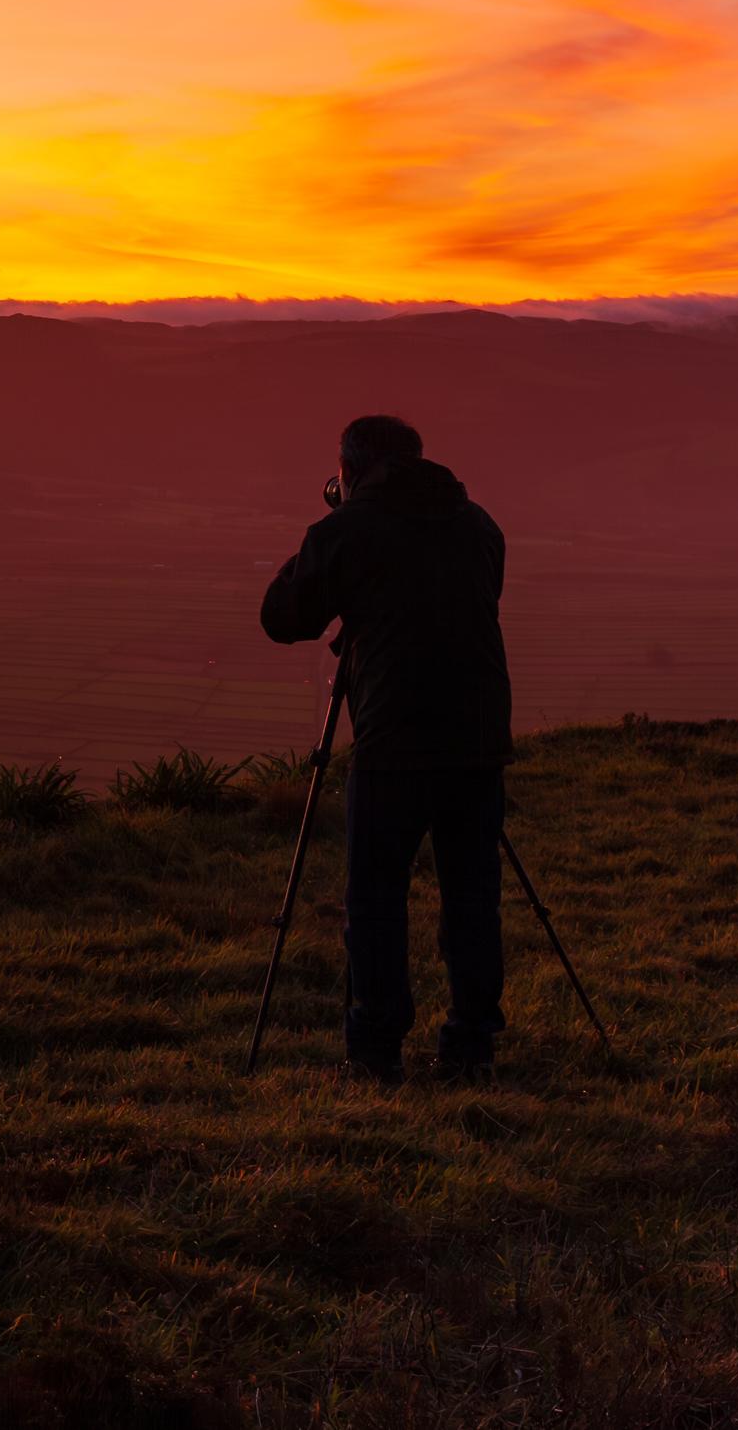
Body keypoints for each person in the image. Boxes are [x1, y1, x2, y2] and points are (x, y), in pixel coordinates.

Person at [258, 413, 510, 1081]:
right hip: (478, 737)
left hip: (393, 736)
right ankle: (471, 1048)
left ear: (351, 469)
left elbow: (282, 618)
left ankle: (373, 1053)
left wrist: (327, 528)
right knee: (472, 897)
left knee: (374, 898)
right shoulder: (477, 523)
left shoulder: (347, 530)